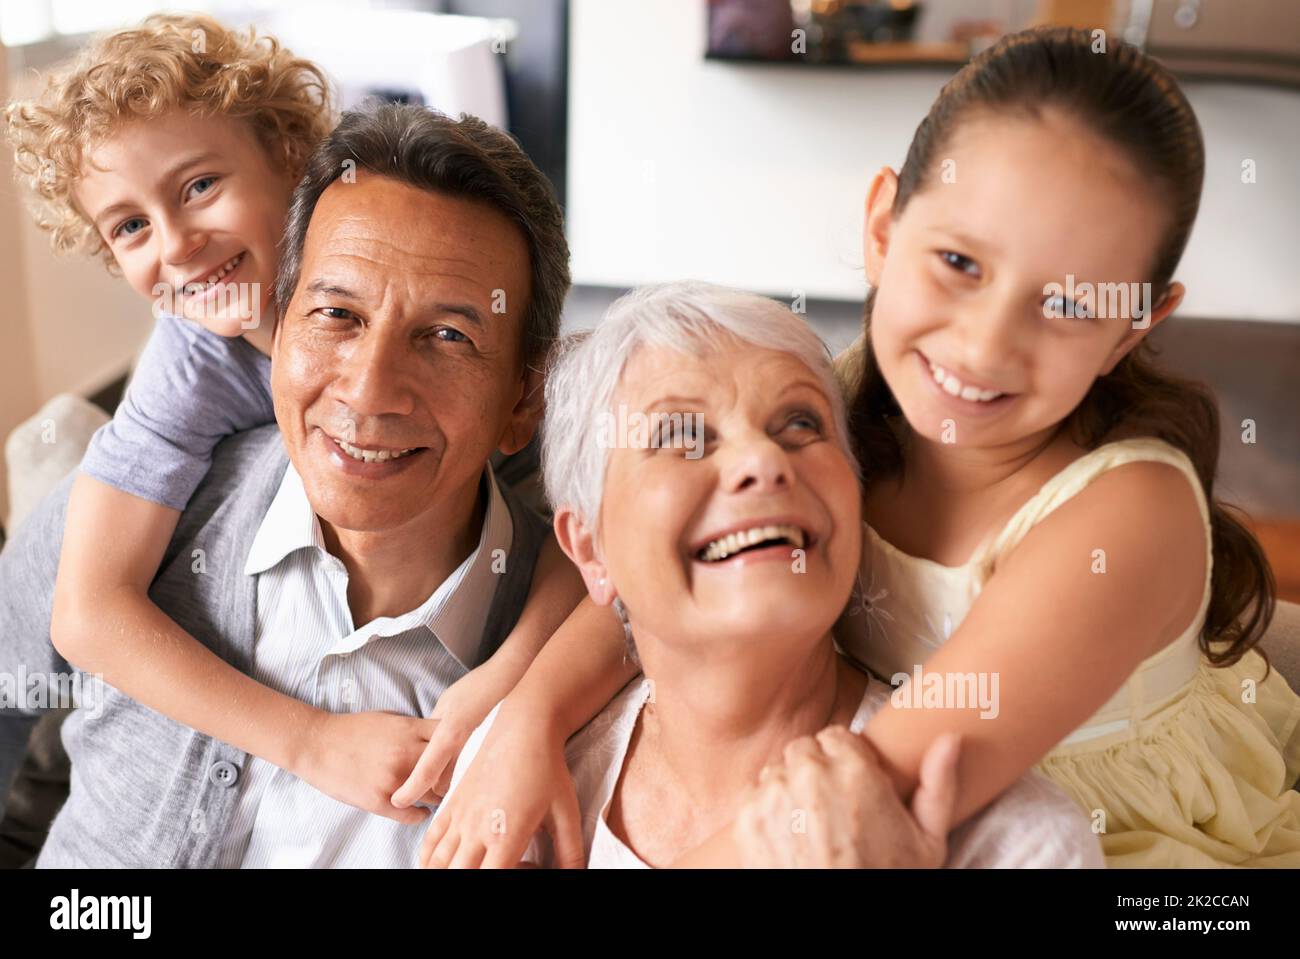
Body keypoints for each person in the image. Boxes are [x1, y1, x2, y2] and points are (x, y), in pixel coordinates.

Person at [421, 26, 1300, 869]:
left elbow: (865, 796)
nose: (984, 345)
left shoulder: (1125, 517)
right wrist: (528, 716)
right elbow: (656, 580)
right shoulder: (830, 407)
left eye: (1069, 304)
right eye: (959, 263)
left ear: (1133, 328)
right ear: (883, 226)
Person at [3, 14, 584, 833]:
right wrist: (308, 740)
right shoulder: (191, 361)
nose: (176, 246)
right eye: (129, 226)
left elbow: (596, 543)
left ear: (290, 154)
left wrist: (516, 686)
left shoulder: (490, 376)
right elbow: (86, 609)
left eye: (199, 186)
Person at [425, 281, 1104, 868]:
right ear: (590, 549)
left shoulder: (1019, 841)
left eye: (800, 424)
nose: (763, 461)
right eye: (682, 437)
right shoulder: (508, 781)